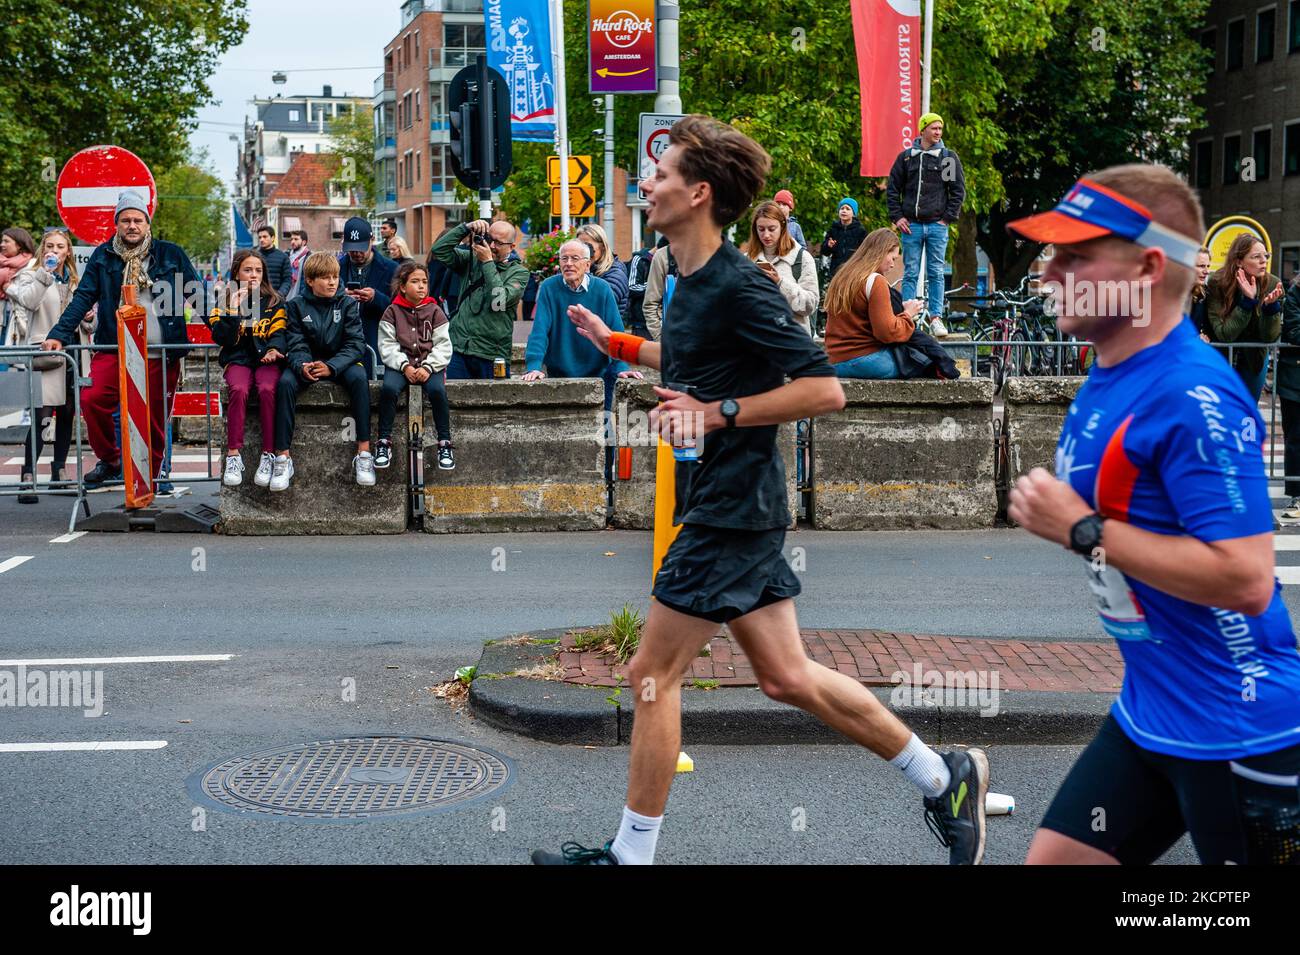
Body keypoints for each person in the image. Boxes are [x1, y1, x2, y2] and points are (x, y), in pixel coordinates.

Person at [531, 114, 989, 867]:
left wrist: (716, 414)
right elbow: (687, 356)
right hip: (737, 500)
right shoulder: (690, 279)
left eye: (664, 173)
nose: (648, 183)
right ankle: (945, 779)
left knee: (651, 674)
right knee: (786, 676)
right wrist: (610, 341)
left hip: (733, 505)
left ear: (699, 192)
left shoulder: (745, 285)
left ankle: (630, 857)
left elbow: (822, 389)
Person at [1006, 164, 1300, 866]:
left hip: (1239, 730)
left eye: (1075, 254)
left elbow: (1247, 577)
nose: (1050, 272)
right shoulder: (1112, 370)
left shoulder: (1192, 394)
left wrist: (1084, 530)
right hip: (1150, 714)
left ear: (1145, 267)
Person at [42, 191, 201, 490]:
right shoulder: (103, 256)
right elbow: (83, 298)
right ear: (116, 224)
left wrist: (224, 329)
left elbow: (197, 295)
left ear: (147, 223)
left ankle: (151, 478)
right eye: (125, 220)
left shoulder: (170, 254)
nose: (132, 225)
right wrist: (58, 335)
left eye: (137, 220)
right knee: (92, 400)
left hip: (160, 352)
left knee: (154, 419)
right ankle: (112, 461)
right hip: (114, 348)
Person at [270, 251, 375, 492]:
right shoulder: (295, 305)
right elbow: (295, 342)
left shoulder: (347, 303)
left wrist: (332, 367)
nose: (332, 282)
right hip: (307, 363)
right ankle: (283, 458)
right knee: (285, 383)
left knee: (360, 378)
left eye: (335, 277)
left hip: (340, 363)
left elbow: (356, 344)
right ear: (309, 280)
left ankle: (364, 453)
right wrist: (302, 365)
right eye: (325, 278)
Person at [521, 239, 641, 406]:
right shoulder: (549, 287)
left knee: (603, 427)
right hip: (558, 374)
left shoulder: (602, 288)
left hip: (599, 373)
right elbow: (539, 331)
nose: (568, 263)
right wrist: (534, 366)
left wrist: (622, 367)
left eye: (575, 258)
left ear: (587, 265)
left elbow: (616, 330)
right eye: (564, 259)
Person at [7, 229, 79, 502]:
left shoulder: (74, 279)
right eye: (49, 246)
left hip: (72, 353)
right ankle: (28, 475)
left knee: (67, 413)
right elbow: (28, 301)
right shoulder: (32, 274)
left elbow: (84, 319)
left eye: (60, 247)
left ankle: (59, 471)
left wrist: (89, 318)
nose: (54, 251)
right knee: (42, 417)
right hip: (46, 354)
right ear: (42, 249)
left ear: (68, 251)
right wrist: (44, 274)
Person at [208, 248, 287, 488]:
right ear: (236, 272)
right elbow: (224, 339)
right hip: (238, 358)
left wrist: (274, 348)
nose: (254, 275)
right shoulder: (224, 300)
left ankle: (268, 454)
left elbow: (280, 333)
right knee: (240, 389)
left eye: (258, 270)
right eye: (248, 270)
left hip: (266, 359)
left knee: (266, 389)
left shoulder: (274, 301)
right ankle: (234, 455)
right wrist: (232, 309)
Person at [887, 112, 966, 337]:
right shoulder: (906, 158)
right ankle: (906, 315)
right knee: (910, 271)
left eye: (940, 129)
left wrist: (946, 219)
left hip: (937, 225)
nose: (938, 132)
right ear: (922, 130)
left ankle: (936, 318)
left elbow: (957, 190)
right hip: (911, 225)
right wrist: (897, 216)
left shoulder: (947, 158)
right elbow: (893, 189)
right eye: (934, 128)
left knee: (936, 272)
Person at [376, 261, 455, 472]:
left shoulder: (435, 311)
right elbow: (387, 345)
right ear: (402, 286)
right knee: (389, 389)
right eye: (415, 282)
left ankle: (444, 443)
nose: (421, 286)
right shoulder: (392, 311)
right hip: (401, 365)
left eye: (424, 282)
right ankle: (383, 441)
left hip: (429, 365)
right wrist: (404, 366)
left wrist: (429, 367)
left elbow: (444, 345)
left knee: (438, 391)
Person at [428, 218, 528, 379]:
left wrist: (487, 262)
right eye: (490, 240)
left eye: (498, 243)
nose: (492, 246)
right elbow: (439, 250)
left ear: (512, 246)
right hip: (459, 348)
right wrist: (465, 228)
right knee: (454, 400)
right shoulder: (471, 259)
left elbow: (499, 301)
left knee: (493, 403)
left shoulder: (519, 272)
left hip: (491, 353)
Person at [823, 228, 922, 379]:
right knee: (920, 361)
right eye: (893, 258)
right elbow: (887, 333)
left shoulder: (841, 276)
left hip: (834, 363)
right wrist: (908, 314)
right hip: (866, 361)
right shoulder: (876, 281)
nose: (893, 265)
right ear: (882, 251)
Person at [1205, 234, 1283, 404]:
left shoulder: (1273, 285)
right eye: (1256, 256)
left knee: (1247, 410)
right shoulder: (1217, 283)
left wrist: (1270, 309)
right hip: (1221, 360)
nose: (1264, 261)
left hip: (1254, 360)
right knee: (1222, 410)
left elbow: (1269, 338)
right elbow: (1225, 334)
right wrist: (1247, 302)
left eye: (1266, 255)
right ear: (1239, 261)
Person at [742, 200, 818, 334]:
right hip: (756, 342)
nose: (766, 235)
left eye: (771, 229)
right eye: (761, 229)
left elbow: (810, 306)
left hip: (791, 344)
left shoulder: (802, 258)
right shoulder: (746, 260)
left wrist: (780, 282)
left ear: (783, 227)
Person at [337, 216, 397, 377]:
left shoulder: (392, 269)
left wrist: (375, 297)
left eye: (361, 247)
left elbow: (400, 309)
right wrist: (339, 296)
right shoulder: (334, 268)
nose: (356, 253)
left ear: (373, 239)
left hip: (378, 342)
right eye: (351, 248)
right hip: (342, 345)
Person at [1278, 274, 1300, 520]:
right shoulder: (1294, 295)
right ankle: (1297, 495)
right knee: (1295, 438)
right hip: (1294, 379)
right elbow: (1294, 332)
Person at [576, 223, 629, 319]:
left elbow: (596, 307)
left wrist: (585, 273)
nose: (583, 253)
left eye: (588, 247)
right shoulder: (579, 270)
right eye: (579, 247)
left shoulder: (616, 274)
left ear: (603, 247)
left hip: (606, 331)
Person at [1, 227, 37, 352]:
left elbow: (31, 295)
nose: (2, 244)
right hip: (2, 318)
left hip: (21, 322)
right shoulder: (2, 264)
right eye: (2, 241)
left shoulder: (33, 265)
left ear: (20, 245)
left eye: (6, 241)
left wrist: (9, 288)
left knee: (12, 362)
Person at [821, 198, 867, 285]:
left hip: (853, 271)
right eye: (842, 208)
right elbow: (824, 251)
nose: (844, 211)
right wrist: (828, 245)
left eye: (847, 209)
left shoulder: (860, 231)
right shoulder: (833, 229)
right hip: (836, 271)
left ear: (854, 213)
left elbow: (865, 252)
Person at [641, 237, 677, 341]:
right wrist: (660, 339)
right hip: (672, 339)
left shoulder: (713, 255)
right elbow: (650, 304)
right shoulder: (663, 256)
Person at [624, 236, 657, 337]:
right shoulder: (639, 259)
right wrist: (656, 285)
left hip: (663, 321)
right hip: (641, 323)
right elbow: (631, 288)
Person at [254, 226, 292, 301]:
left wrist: (279, 294)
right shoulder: (254, 256)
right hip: (256, 299)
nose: (261, 240)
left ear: (272, 238)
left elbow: (287, 280)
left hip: (277, 299)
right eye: (260, 237)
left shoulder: (283, 257)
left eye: (265, 237)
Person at [1187, 246, 1211, 341]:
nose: (1206, 271)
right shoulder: (1175, 293)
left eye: (1208, 266)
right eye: (1201, 266)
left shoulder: (1205, 293)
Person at [287, 229, 311, 299]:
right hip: (286, 296)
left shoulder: (309, 257)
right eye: (291, 239)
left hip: (300, 297)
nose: (292, 242)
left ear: (304, 242)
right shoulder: (287, 255)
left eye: (296, 239)